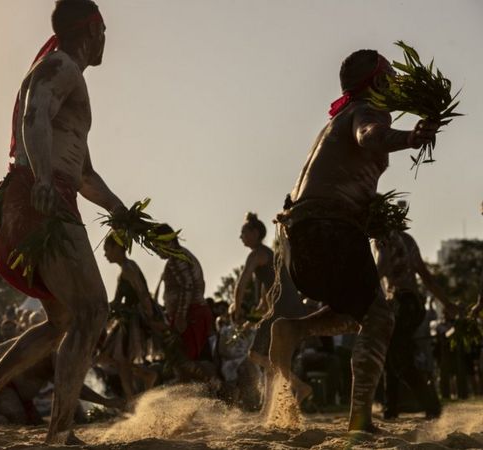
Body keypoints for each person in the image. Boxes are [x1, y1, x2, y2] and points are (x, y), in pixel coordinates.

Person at [0, 0, 124, 443]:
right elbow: (35, 114)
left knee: (62, 321)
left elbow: (85, 174)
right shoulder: (61, 66)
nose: (107, 38)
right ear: (89, 30)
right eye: (104, 29)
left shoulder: (67, 77)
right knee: (93, 309)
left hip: (38, 195)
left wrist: (119, 209)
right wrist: (45, 179)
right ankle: (60, 433)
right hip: (40, 199)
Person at [270, 49, 441, 432]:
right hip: (331, 228)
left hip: (300, 240)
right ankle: (360, 420)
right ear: (378, 83)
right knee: (380, 316)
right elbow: (370, 137)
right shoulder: (367, 110)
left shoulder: (334, 123)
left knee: (358, 311)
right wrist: (411, 136)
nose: (398, 83)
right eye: (392, 76)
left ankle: (293, 330)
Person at [373, 229, 459, 419]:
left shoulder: (383, 240)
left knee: (399, 359)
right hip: (414, 304)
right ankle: (391, 407)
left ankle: (431, 405)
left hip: (401, 304)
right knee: (392, 355)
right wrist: (446, 302)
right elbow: (426, 277)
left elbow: (380, 270)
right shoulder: (407, 239)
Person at [232, 212, 310, 415]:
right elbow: (264, 299)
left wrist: (236, 307)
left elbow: (241, 284)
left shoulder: (257, 254)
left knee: (256, 355)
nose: (240, 237)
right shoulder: (266, 256)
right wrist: (252, 319)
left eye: (243, 232)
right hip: (289, 308)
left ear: (255, 233)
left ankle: (299, 385)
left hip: (284, 309)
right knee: (269, 361)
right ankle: (267, 411)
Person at [100, 234, 161, 401]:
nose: (105, 254)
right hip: (127, 318)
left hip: (134, 319)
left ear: (118, 248)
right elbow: (118, 301)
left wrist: (150, 316)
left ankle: (133, 396)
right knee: (119, 361)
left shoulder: (129, 267)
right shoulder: (124, 269)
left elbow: (141, 292)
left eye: (107, 250)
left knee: (121, 360)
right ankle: (134, 393)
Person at [157, 223, 213, 364]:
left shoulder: (177, 259)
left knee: (189, 363)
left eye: (157, 246)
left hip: (191, 315)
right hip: (194, 313)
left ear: (168, 242)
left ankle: (208, 385)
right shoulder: (180, 256)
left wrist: (181, 316)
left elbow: (187, 286)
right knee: (191, 362)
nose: (156, 251)